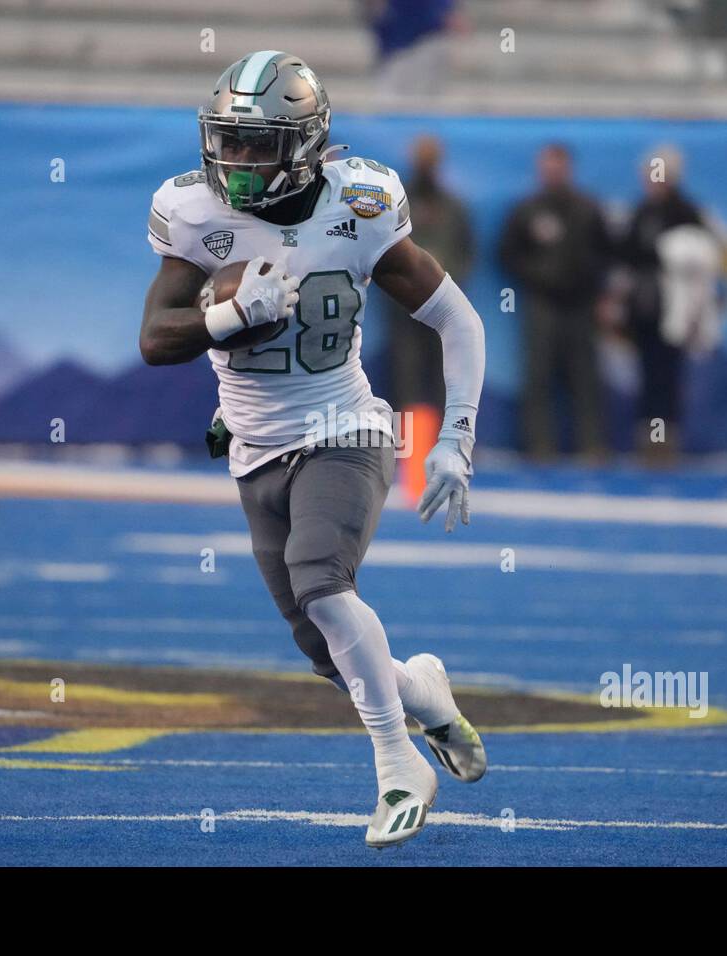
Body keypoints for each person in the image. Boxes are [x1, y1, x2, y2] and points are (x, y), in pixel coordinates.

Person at [141, 51, 487, 847]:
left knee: (323, 585)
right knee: (324, 648)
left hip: (347, 430)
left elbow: (457, 319)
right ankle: (423, 694)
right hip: (256, 450)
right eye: (228, 141)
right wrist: (226, 318)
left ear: (304, 145)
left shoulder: (361, 206)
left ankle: (400, 763)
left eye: (257, 145)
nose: (236, 161)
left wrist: (455, 441)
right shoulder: (193, 213)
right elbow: (156, 339)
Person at [500, 143, 613, 459]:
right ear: (541, 171)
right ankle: (539, 446)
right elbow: (508, 255)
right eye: (548, 168)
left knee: (586, 376)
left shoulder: (588, 208)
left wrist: (590, 281)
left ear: (569, 170)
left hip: (581, 305)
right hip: (541, 305)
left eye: (559, 167)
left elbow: (607, 253)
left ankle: (591, 445)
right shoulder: (527, 210)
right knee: (538, 375)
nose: (554, 173)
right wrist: (538, 277)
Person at [618, 147, 705, 462]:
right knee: (648, 375)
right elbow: (627, 257)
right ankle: (649, 443)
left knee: (668, 376)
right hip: (645, 309)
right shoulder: (642, 212)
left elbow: (699, 265)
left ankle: (666, 443)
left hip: (675, 310)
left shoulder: (686, 213)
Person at [383, 135, 474, 413]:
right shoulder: (396, 203)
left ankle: (440, 444)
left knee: (443, 377)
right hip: (403, 306)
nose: (425, 164)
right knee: (404, 377)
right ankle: (406, 448)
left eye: (430, 159)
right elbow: (378, 247)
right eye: (421, 158)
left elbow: (467, 251)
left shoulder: (453, 206)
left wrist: (446, 281)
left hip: (441, 307)